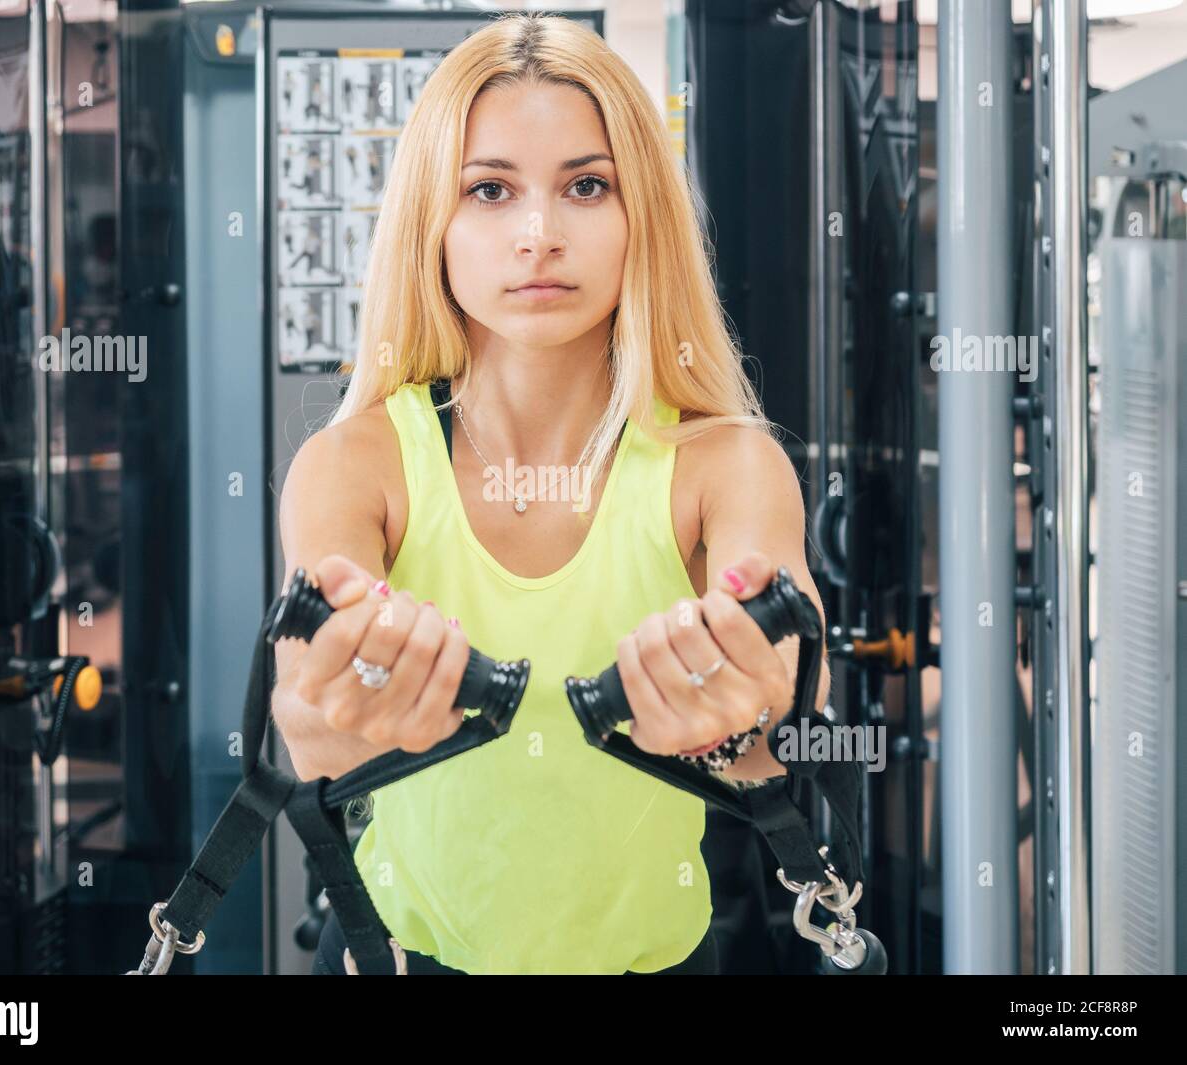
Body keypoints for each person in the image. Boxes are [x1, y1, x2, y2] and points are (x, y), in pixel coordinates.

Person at [272, 12, 830, 976]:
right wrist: (343, 696)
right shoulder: (354, 461)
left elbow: (782, 702)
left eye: (586, 185)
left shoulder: (724, 463)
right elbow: (309, 730)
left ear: (639, 215)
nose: (539, 235)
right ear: (432, 226)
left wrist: (748, 697)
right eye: (489, 190)